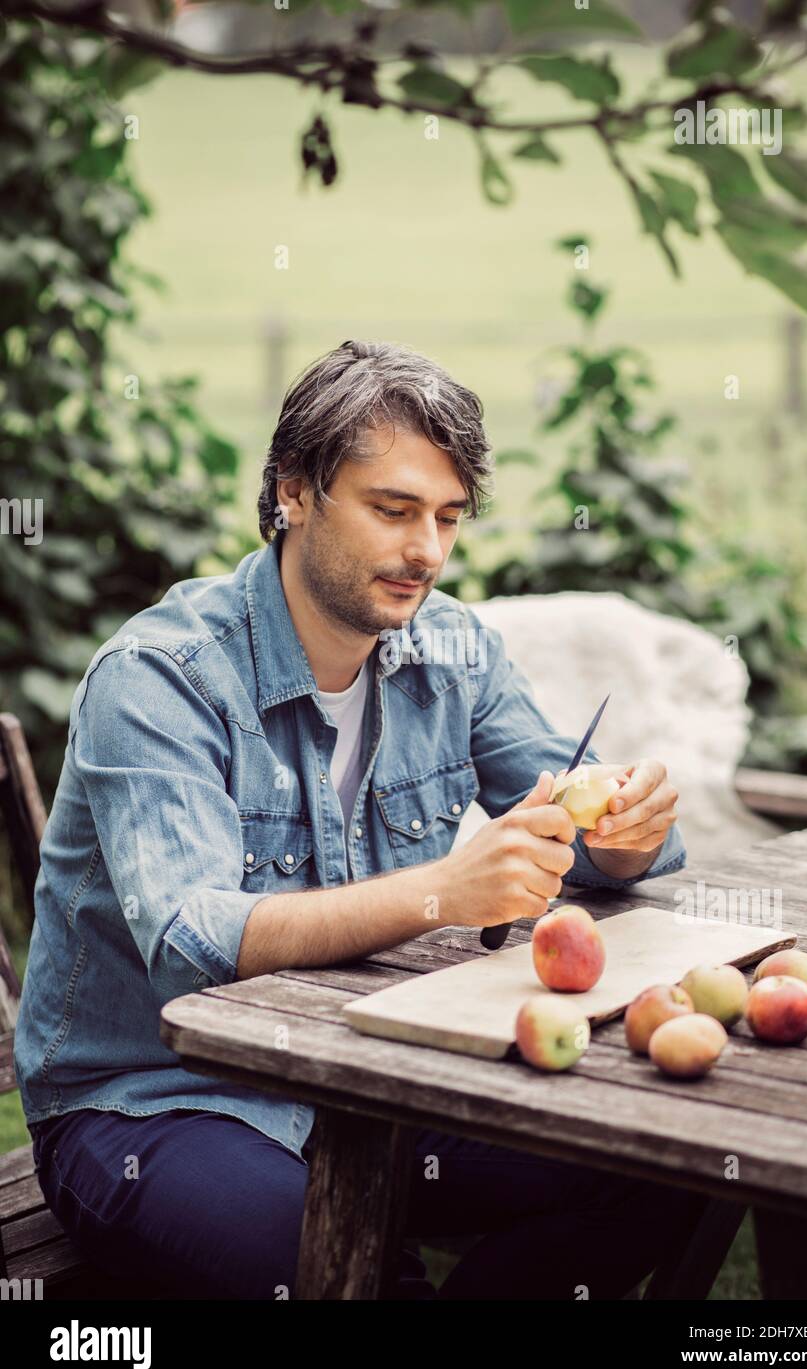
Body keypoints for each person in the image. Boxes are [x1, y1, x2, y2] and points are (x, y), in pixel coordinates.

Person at [15, 338, 693, 1301]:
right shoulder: (162, 677)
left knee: (659, 1164)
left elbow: (587, 830)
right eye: (394, 510)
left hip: (380, 1072)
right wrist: (440, 895)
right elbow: (188, 939)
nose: (427, 550)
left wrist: (630, 835)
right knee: (349, 1273)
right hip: (158, 1105)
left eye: (449, 518)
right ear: (295, 490)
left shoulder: (453, 649)